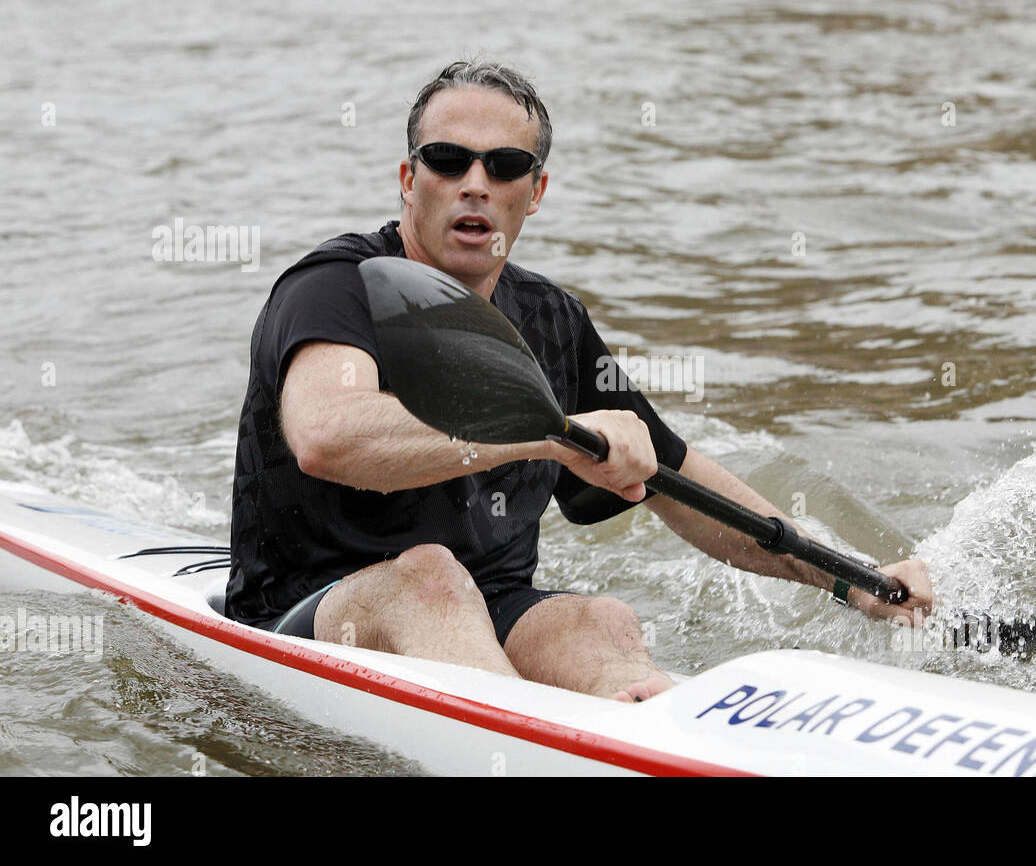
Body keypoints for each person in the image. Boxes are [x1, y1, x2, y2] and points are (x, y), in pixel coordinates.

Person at [225, 60, 932, 702]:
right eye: (448, 160)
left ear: (534, 193)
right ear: (410, 179)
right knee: (429, 578)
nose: (476, 183)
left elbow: (678, 480)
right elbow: (326, 436)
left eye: (505, 166)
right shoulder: (335, 288)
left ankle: (643, 730)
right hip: (307, 612)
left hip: (489, 608)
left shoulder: (551, 321)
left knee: (601, 621)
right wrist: (540, 439)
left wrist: (848, 580)